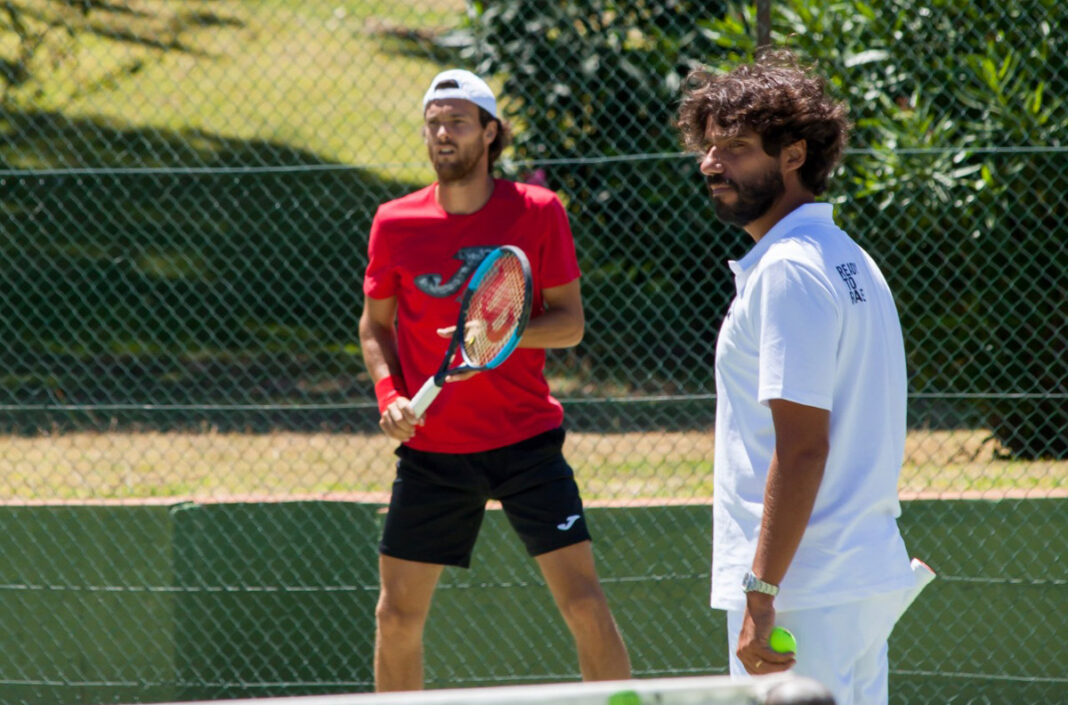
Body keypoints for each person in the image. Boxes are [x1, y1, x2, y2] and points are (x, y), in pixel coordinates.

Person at [359, 68, 631, 692]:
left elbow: (568, 324)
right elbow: (375, 327)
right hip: (432, 453)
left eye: (456, 120)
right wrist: (390, 393)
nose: (441, 132)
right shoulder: (394, 222)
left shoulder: (538, 212)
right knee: (396, 616)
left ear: (489, 133)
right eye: (432, 122)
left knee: (585, 604)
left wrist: (498, 336)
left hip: (526, 444)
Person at [676, 50, 925, 705]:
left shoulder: (790, 270)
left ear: (793, 154)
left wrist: (761, 591)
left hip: (804, 593)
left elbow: (804, 445)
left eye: (735, 147)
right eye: (709, 146)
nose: (711, 164)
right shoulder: (849, 259)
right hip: (849, 582)